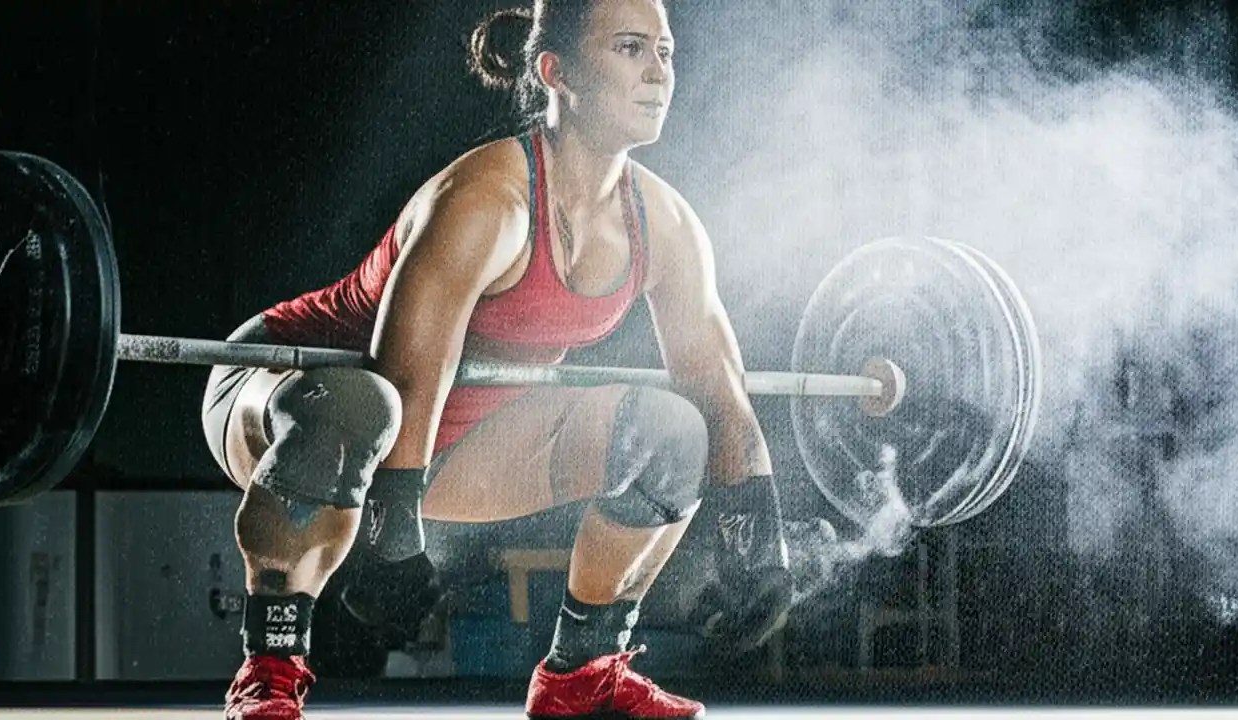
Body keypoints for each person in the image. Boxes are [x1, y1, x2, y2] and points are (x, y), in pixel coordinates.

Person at [200, 1, 796, 717]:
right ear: (556, 72)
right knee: (357, 410)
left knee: (672, 434)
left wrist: (763, 544)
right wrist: (393, 536)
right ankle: (270, 664)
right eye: (631, 48)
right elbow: (404, 376)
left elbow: (717, 385)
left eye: (665, 52)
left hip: (450, 439)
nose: (658, 72)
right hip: (289, 394)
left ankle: (583, 669)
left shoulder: (663, 224)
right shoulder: (489, 199)